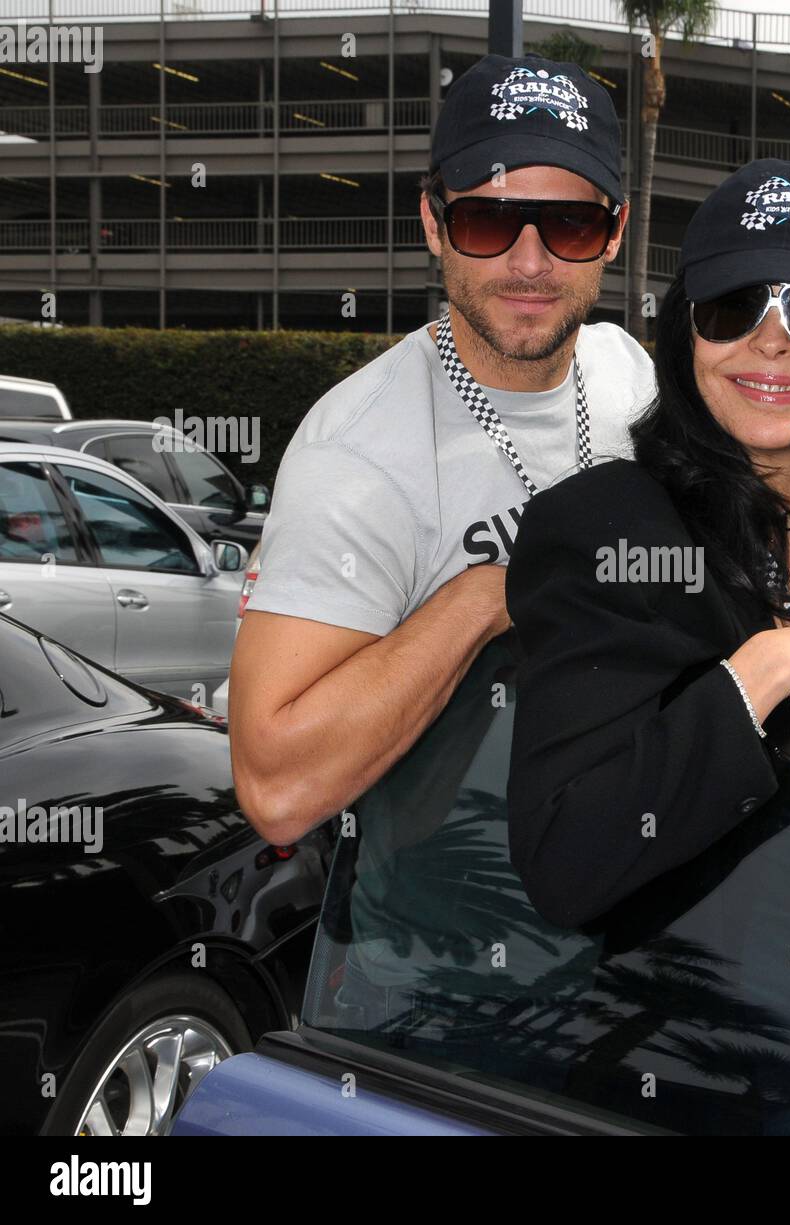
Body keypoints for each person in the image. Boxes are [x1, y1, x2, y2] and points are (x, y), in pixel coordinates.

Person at [505, 158, 790, 933]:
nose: (771, 344)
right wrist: (754, 678)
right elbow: (564, 858)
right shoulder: (606, 533)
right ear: (687, 329)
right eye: (733, 306)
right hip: (711, 1035)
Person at [228, 53, 655, 845]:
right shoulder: (357, 455)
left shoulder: (633, 378)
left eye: (569, 223)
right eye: (489, 220)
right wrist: (482, 596)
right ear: (433, 223)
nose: (530, 263)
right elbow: (275, 786)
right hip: (439, 939)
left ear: (615, 232)